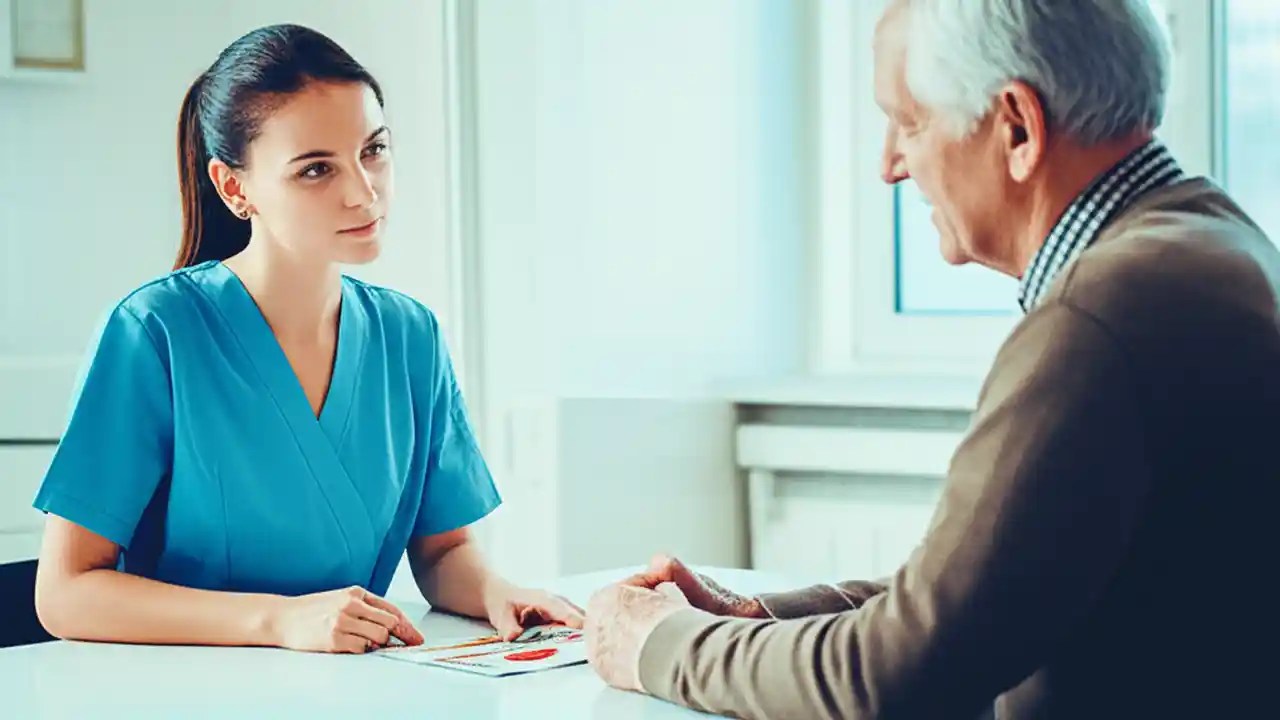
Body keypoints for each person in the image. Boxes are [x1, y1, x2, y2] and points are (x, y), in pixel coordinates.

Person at [585, 1, 1280, 717]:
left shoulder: (1104, 313)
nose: (889, 164)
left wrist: (660, 644)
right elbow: (980, 602)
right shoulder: (1215, 248)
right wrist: (754, 618)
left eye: (911, 122)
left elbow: (896, 676)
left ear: (1016, 126)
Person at [31, 24, 581, 655]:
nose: (363, 191)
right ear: (235, 187)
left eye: (373, 150)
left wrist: (494, 592)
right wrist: (279, 621)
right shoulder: (154, 333)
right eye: (316, 169)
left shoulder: (411, 336)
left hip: (354, 687)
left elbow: (444, 549)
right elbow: (66, 591)